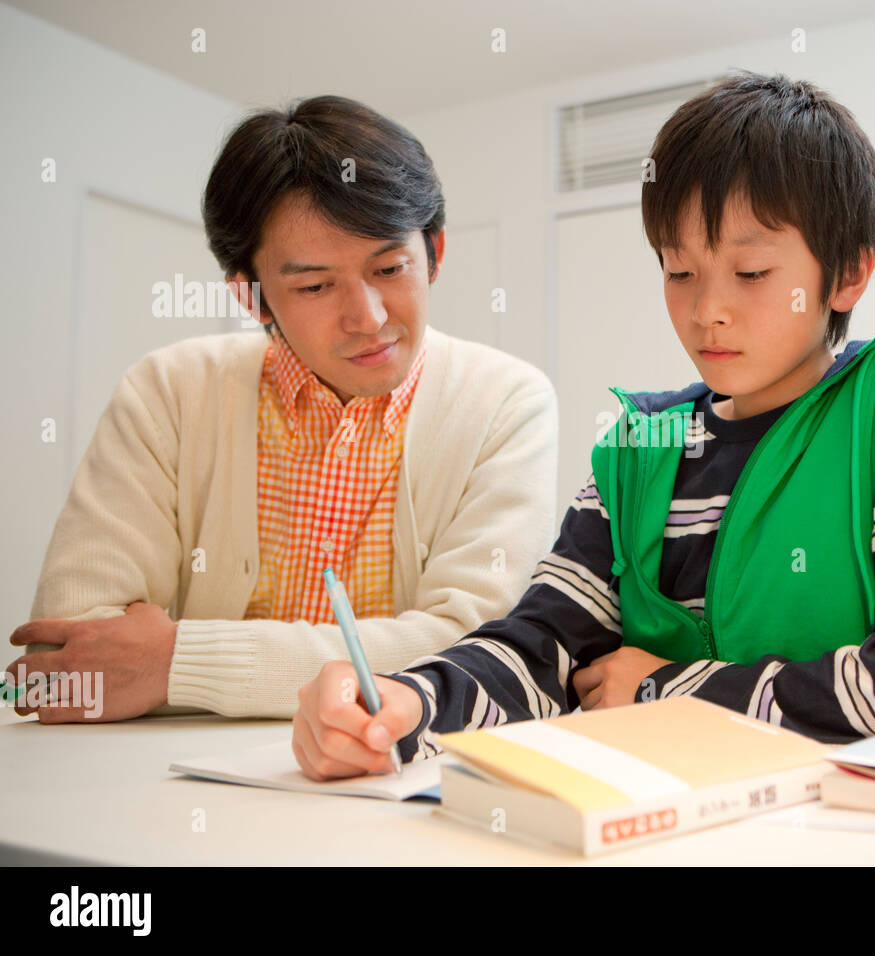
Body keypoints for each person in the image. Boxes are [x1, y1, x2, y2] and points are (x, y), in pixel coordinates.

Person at [290, 73, 875, 780]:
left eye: (752, 273)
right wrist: (410, 701)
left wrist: (664, 688)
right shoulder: (643, 442)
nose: (707, 313)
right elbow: (545, 646)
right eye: (679, 272)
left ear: (848, 274)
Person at [6, 95, 558, 722]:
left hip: (392, 778)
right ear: (252, 294)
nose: (369, 319)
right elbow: (70, 657)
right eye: (315, 286)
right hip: (160, 782)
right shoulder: (167, 391)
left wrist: (173, 662)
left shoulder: (505, 402)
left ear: (434, 251)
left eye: (390, 267)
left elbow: (474, 653)